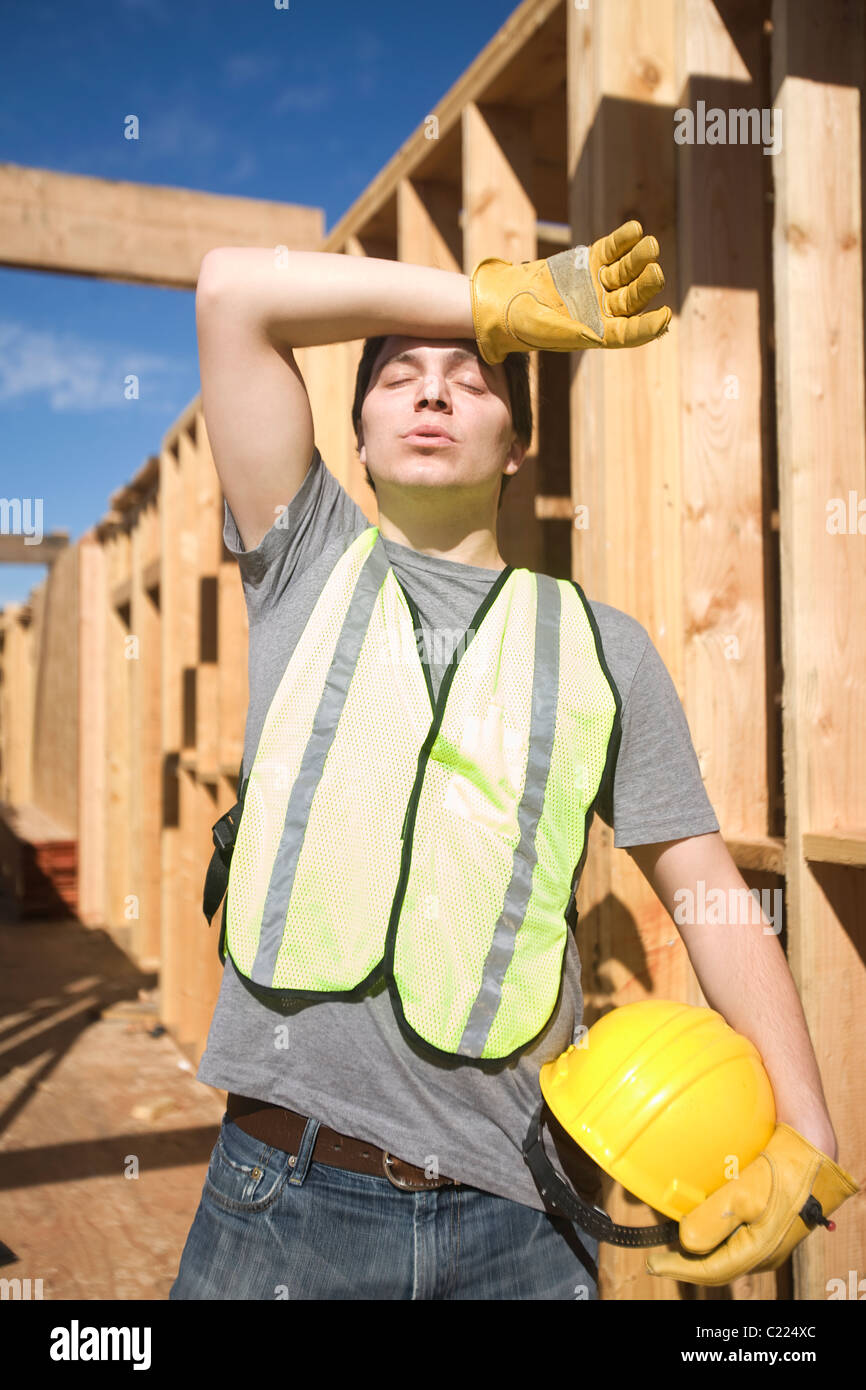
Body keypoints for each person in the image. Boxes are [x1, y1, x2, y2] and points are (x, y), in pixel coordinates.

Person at [169, 232, 839, 1300]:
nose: (432, 395)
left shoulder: (602, 647)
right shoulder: (301, 557)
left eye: (471, 379)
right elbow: (230, 290)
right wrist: (496, 304)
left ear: (517, 446)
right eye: (398, 377)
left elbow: (707, 892)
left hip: (520, 1220)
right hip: (288, 1195)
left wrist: (806, 1134)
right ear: (355, 434)